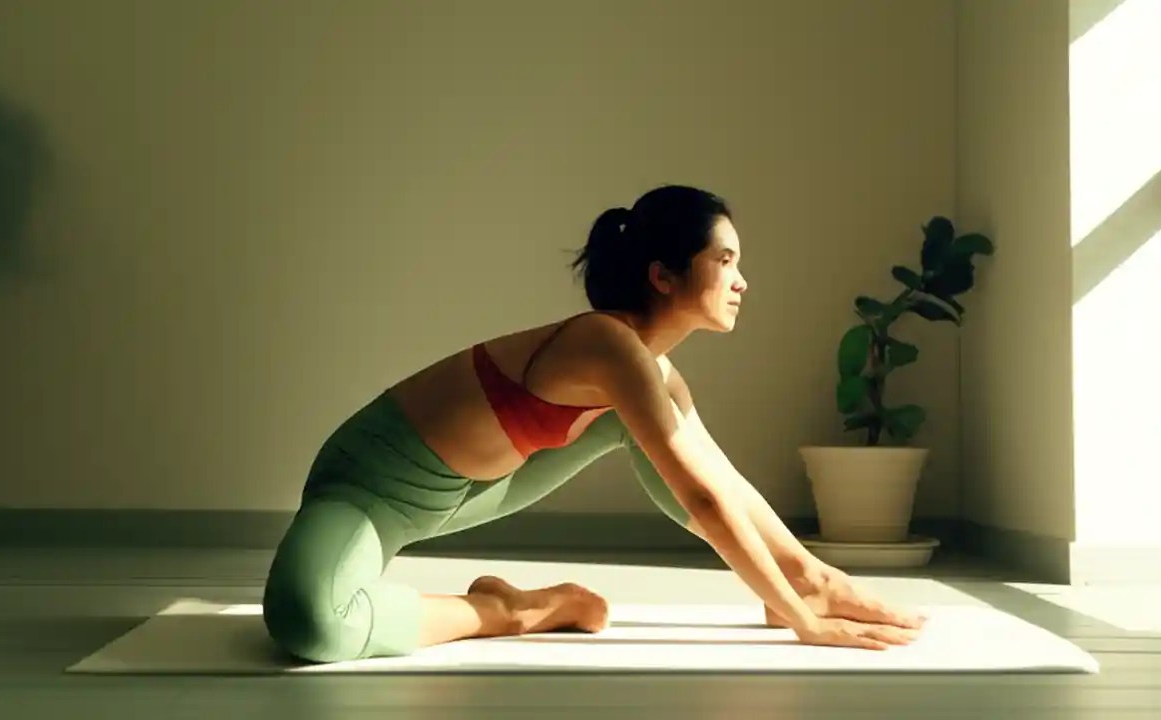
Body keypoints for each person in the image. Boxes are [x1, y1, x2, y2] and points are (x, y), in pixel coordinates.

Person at [261, 184, 927, 664]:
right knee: (309, 625)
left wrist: (804, 584)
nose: (742, 280)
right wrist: (807, 626)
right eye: (725, 260)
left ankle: (807, 577)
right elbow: (696, 498)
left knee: (662, 433)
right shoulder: (606, 344)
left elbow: (719, 486)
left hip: (469, 491)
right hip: (370, 491)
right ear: (663, 275)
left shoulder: (649, 371)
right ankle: (508, 611)